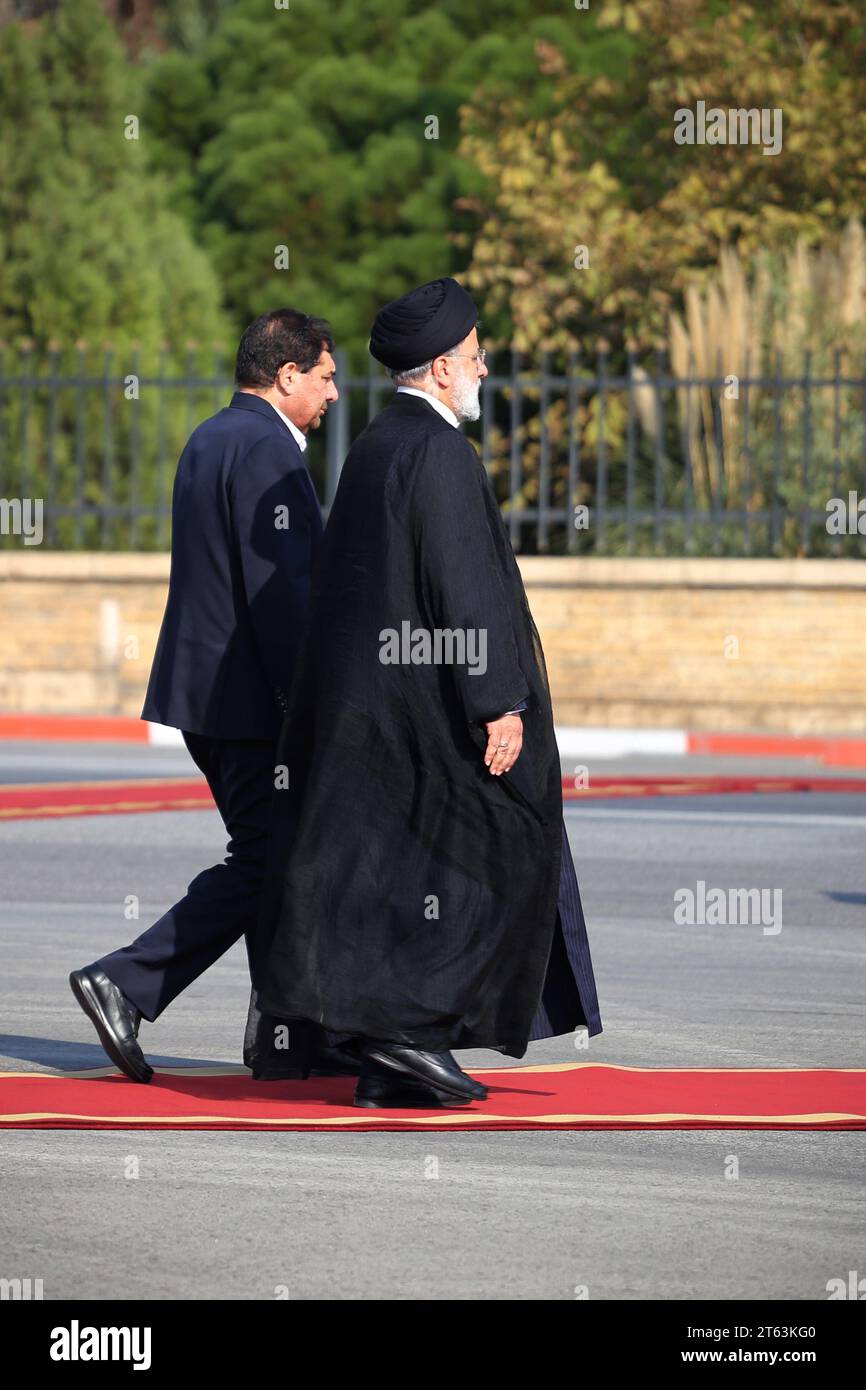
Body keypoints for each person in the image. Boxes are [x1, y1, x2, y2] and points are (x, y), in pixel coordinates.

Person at [251, 277, 602, 1108]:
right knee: (500, 848)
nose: (485, 372)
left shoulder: (378, 444)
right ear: (442, 368)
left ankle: (388, 1057)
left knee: (404, 872)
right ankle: (409, 1033)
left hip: (380, 716)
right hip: (433, 714)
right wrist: (499, 700)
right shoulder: (438, 450)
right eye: (477, 360)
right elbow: (462, 582)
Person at [68, 309, 356, 1085]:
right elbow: (280, 595)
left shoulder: (211, 436)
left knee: (277, 857)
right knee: (268, 860)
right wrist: (309, 703)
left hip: (209, 695)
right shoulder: (270, 450)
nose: (335, 391)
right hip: (254, 703)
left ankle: (284, 1039)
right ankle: (126, 983)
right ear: (287, 374)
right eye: (326, 375)